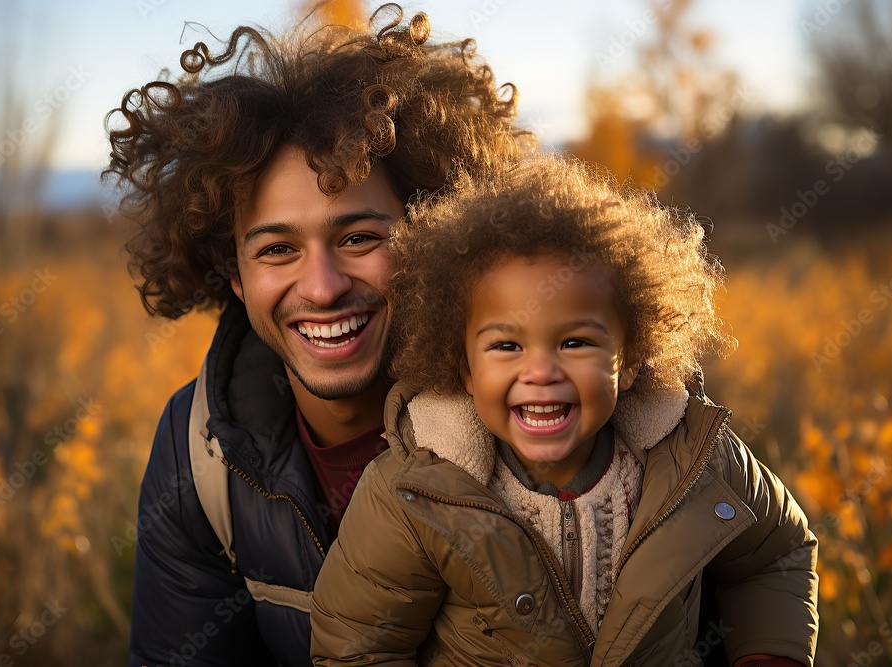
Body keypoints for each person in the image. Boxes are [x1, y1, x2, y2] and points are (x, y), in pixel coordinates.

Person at [103, 5, 529, 665]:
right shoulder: (199, 453)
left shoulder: (541, 400)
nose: (324, 286)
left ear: (434, 237)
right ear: (236, 276)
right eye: (277, 250)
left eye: (358, 238)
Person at [310, 154, 819, 666]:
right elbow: (357, 646)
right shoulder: (416, 492)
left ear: (633, 360)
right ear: (464, 369)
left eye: (575, 343)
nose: (541, 372)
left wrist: (770, 654)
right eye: (506, 347)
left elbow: (777, 556)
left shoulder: (692, 459)